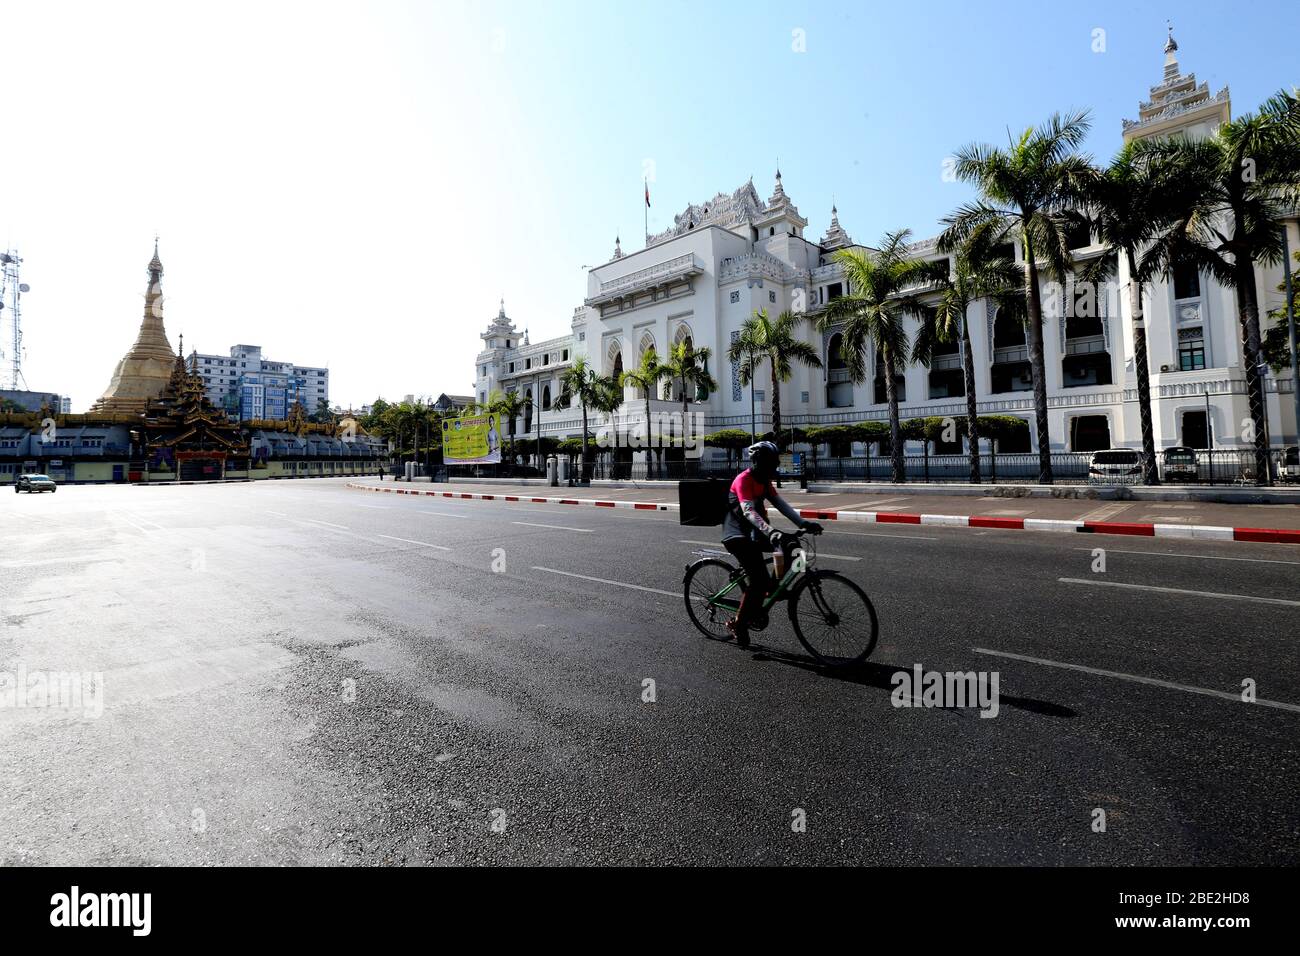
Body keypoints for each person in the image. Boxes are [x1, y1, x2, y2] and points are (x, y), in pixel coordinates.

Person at [721, 441, 822, 648]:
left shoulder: (764, 481)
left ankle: (772, 588)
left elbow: (781, 504)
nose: (774, 468)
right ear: (757, 461)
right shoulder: (744, 480)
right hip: (737, 535)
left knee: (793, 547)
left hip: (757, 532)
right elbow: (748, 511)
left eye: (775, 463)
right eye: (770, 463)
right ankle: (739, 625)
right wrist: (771, 531)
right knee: (757, 581)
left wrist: (803, 523)